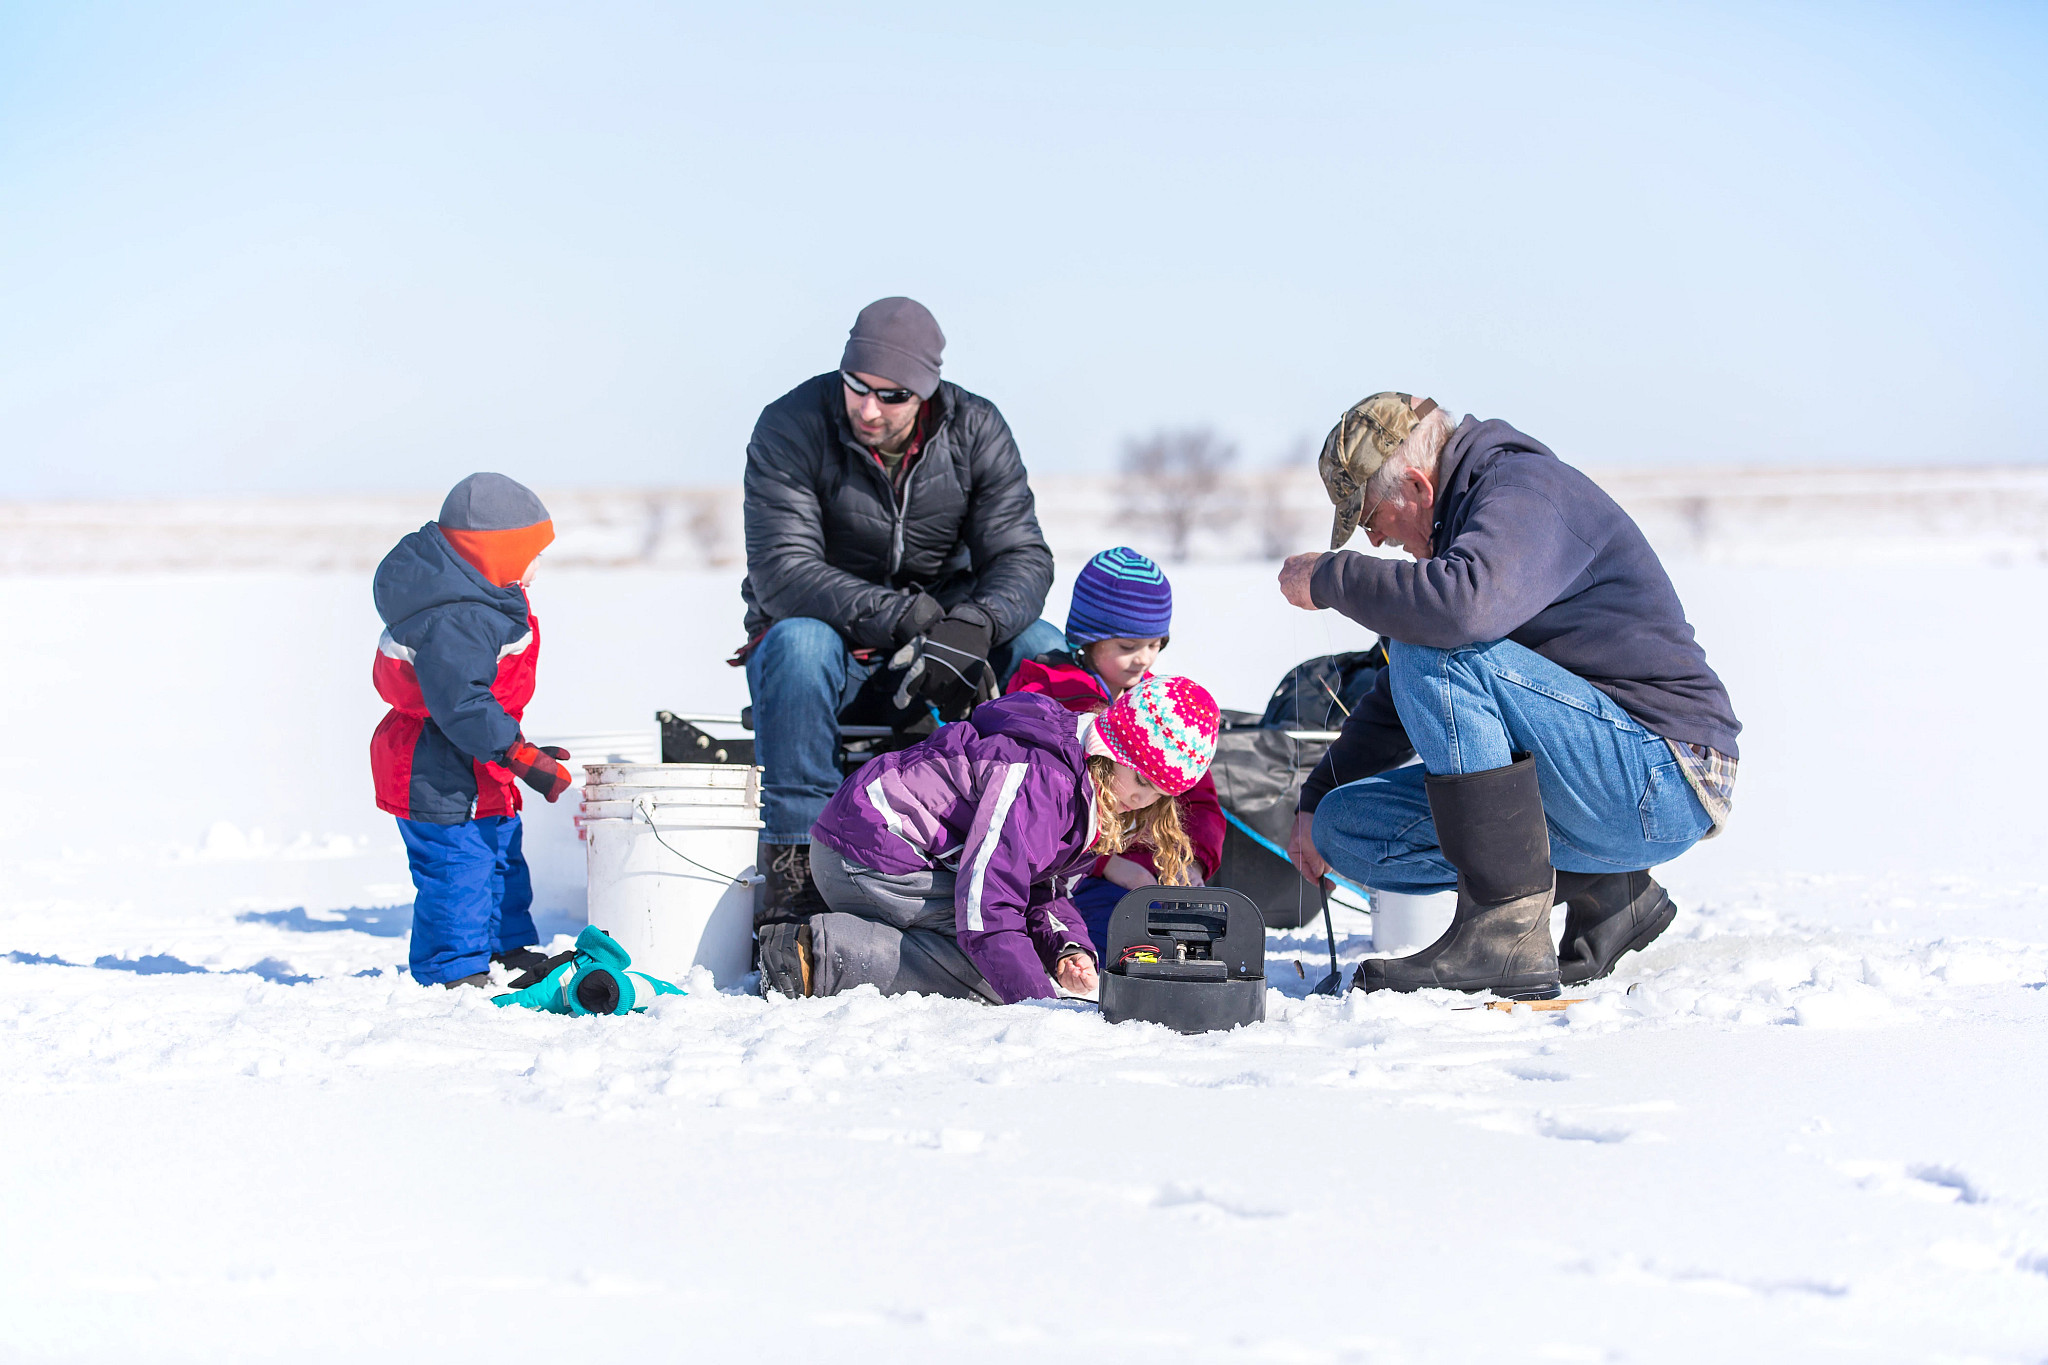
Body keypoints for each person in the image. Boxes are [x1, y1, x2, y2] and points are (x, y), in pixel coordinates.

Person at [1277, 393, 1740, 998]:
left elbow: (1452, 619)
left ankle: (1503, 932)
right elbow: (1405, 693)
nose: (1379, 544)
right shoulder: (1469, 530)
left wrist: (1332, 576)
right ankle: (1607, 888)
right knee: (1347, 827)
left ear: (1417, 486)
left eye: (1371, 523)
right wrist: (1314, 799)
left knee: (1432, 635)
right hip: (1600, 777)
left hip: (1666, 772)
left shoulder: (1522, 490)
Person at [736, 297, 1062, 936]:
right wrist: (910, 618)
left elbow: (1022, 555)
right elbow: (784, 570)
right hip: (838, 646)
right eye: (857, 387)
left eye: (891, 397)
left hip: (952, 645)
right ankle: (796, 868)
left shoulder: (977, 429)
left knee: (1044, 646)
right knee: (798, 646)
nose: (867, 408)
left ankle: (1036, 854)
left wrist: (974, 626)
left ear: (927, 393)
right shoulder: (790, 426)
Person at [757, 676, 1222, 1005]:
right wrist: (1040, 1008)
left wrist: (1067, 949)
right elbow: (989, 905)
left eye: (1157, 795)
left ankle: (841, 944)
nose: (1139, 800)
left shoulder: (1087, 787)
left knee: (1012, 958)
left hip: (894, 857)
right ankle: (821, 954)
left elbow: (1044, 890)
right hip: (867, 853)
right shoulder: (1044, 779)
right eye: (1139, 779)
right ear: (1110, 749)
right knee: (988, 972)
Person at [371, 473, 575, 988]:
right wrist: (516, 752)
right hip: (437, 767)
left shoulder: (480, 599)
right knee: (459, 867)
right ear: (493, 553)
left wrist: (509, 745)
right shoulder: (458, 616)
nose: (538, 566)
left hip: (477, 758)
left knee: (501, 852)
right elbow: (461, 702)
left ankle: (506, 948)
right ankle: (452, 971)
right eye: (531, 552)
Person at [1006, 547, 1226, 950]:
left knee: (1199, 940)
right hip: (1073, 879)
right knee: (1119, 940)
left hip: (1153, 879)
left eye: (1154, 644)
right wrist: (1111, 866)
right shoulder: (1050, 694)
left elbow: (1200, 800)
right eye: (1127, 646)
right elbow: (1036, 808)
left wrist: (1193, 861)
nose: (1142, 659)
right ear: (1089, 640)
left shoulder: (1162, 710)